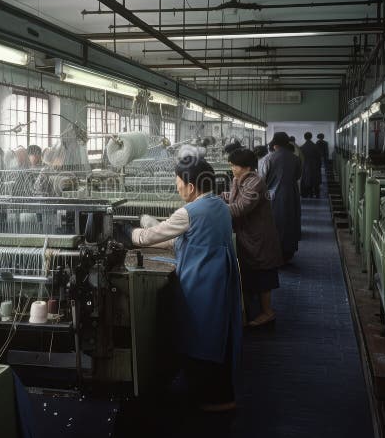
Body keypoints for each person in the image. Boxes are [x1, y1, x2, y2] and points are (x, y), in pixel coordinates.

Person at [119, 156, 242, 412]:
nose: (176, 187)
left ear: (191, 185)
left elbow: (151, 236)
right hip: (218, 278)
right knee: (216, 335)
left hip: (202, 282)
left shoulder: (190, 211)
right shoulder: (218, 205)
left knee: (202, 335)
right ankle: (220, 394)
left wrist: (127, 232)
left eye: (178, 183)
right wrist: (148, 227)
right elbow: (182, 241)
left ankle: (214, 401)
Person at [221, 148, 283, 327]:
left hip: (258, 236)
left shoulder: (256, 182)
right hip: (247, 235)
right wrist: (215, 198)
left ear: (246, 166)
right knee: (251, 273)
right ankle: (253, 309)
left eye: (234, 165)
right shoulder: (238, 179)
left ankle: (267, 312)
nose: (231, 168)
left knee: (263, 275)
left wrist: (211, 208)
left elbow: (240, 207)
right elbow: (232, 198)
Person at [262, 132, 302, 262]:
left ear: (274, 144)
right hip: (291, 194)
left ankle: (274, 252)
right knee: (290, 222)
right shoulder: (295, 158)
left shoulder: (268, 159)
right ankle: (288, 252)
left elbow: (262, 179)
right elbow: (297, 176)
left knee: (275, 224)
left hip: (272, 196)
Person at [300, 132, 322, 198]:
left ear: (304, 138)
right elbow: (319, 157)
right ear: (311, 137)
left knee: (307, 181)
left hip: (306, 166)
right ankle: (317, 194)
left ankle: (309, 194)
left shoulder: (302, 147)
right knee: (315, 181)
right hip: (315, 166)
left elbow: (300, 159)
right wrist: (319, 166)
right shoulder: (315, 146)